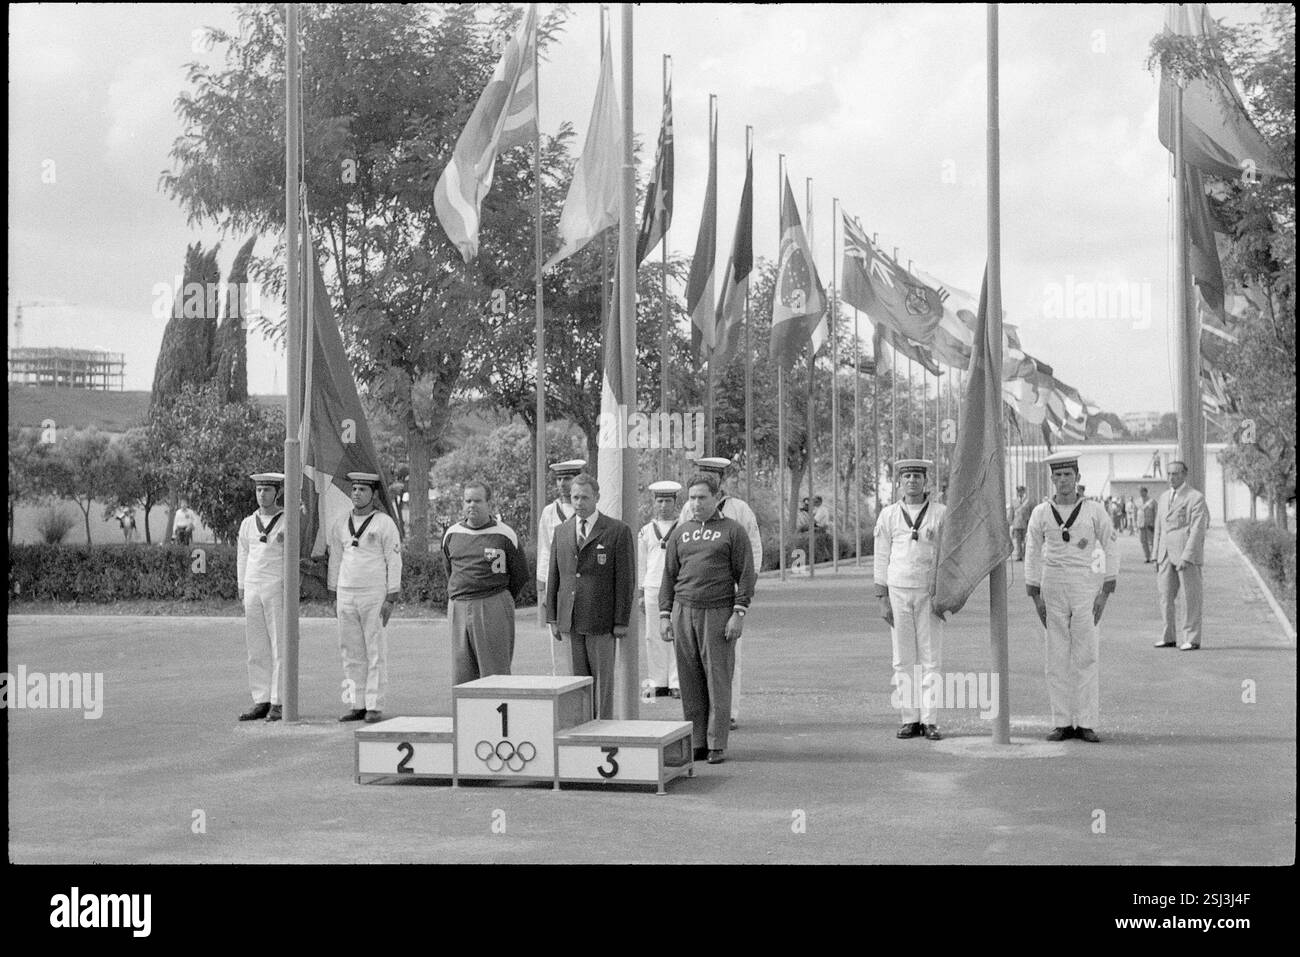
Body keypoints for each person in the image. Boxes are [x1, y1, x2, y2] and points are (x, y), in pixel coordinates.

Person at [660, 472, 756, 765]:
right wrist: (665, 615)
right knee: (689, 680)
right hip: (684, 610)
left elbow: (746, 575)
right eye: (692, 498)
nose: (696, 503)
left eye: (702, 497)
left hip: (717, 611)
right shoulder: (680, 531)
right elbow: (669, 576)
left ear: (716, 498)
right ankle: (697, 741)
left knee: (717, 678)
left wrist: (738, 614)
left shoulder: (732, 531)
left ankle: (716, 742)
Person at [1024, 452, 1117, 743]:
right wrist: (1034, 594)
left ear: (1077, 477)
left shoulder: (1094, 511)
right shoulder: (1041, 512)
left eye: (1068, 475)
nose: (1063, 481)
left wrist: (1105, 591)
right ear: (1052, 479)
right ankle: (1062, 721)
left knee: (1086, 654)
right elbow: (1031, 550)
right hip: (1053, 585)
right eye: (1058, 475)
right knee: (1056, 654)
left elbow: (1111, 546)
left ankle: (1086, 722)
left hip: (1084, 585)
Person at [545, 473, 636, 720]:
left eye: (585, 497)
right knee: (576, 684)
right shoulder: (561, 531)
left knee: (602, 684)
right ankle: (580, 729)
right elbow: (555, 575)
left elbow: (625, 580)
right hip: (570, 618)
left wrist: (621, 620)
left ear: (597, 497)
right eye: (575, 497)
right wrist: (552, 616)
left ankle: (603, 730)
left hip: (601, 620)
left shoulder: (617, 531)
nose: (579, 502)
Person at [681, 457, 762, 731]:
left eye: (713, 475)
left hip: (728, 595)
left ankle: (728, 713)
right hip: (695, 595)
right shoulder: (689, 508)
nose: (709, 479)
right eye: (704, 474)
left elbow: (753, 549)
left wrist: (745, 588)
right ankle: (702, 717)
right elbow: (680, 547)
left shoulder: (740, 510)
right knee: (695, 661)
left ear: (722, 480)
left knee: (727, 658)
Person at [873, 459, 948, 741]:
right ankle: (909, 718)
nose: (912, 481)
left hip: (928, 591)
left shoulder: (940, 513)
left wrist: (944, 592)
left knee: (931, 658)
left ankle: (930, 720)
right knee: (902, 658)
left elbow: (946, 554)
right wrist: (882, 597)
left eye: (917, 476)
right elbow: (881, 556)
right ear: (899, 482)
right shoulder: (889, 515)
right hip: (898, 590)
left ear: (925, 481)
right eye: (907, 476)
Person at [328, 472, 402, 724]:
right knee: (349, 651)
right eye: (354, 489)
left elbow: (394, 560)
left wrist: (391, 596)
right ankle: (355, 702)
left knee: (375, 650)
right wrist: (334, 593)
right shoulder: (340, 523)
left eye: (362, 489)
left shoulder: (384, 523)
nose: (357, 493)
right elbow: (335, 559)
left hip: (373, 594)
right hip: (346, 593)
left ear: (374, 494)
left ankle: (374, 704)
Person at [443, 480, 530, 685]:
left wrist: (500, 599)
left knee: (495, 671)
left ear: (489, 503)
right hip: (459, 605)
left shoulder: (504, 534)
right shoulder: (452, 534)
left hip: (492, 602)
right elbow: (449, 570)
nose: (472, 505)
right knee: (462, 672)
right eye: (468, 501)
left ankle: (497, 715)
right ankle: (469, 717)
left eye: (478, 501)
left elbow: (520, 574)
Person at [236, 472, 285, 722]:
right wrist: (242, 585)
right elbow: (243, 552)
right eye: (258, 490)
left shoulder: (287, 520)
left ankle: (278, 700)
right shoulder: (248, 522)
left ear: (277, 492)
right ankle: (261, 699)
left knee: (279, 645)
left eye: (267, 490)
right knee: (256, 646)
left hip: (276, 585)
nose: (262, 495)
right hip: (253, 585)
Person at [1152, 460, 1210, 651]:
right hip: (1165, 554)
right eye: (1169, 474)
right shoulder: (1163, 498)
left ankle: (1192, 638)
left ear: (1185, 475)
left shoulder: (1195, 498)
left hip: (1185, 554)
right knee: (1165, 597)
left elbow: (1197, 530)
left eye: (1176, 474)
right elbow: (1159, 528)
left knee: (1190, 597)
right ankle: (1168, 636)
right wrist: (1155, 554)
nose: (1171, 477)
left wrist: (1188, 555)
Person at [536, 459, 585, 676]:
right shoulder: (549, 511)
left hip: (581, 578)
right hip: (556, 579)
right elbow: (544, 548)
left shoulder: (586, 508)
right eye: (559, 479)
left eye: (567, 478)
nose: (562, 484)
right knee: (556, 631)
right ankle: (560, 678)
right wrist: (542, 583)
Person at [637, 480, 682, 698]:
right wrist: (640, 593)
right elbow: (641, 562)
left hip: (675, 586)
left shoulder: (682, 528)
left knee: (675, 633)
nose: (663, 505)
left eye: (668, 501)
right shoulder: (646, 531)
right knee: (652, 635)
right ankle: (657, 680)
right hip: (653, 585)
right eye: (660, 501)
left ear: (675, 503)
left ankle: (676, 681)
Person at [1010, 486, 1032, 561]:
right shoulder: (1014, 501)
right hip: (1017, 524)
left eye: (1021, 491)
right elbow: (1011, 513)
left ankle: (1025, 554)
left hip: (1025, 524)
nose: (1020, 493)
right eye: (1018, 491)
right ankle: (1019, 555)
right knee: (1018, 541)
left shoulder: (1028, 501)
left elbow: (1030, 512)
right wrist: (1011, 524)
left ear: (1024, 492)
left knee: (1025, 540)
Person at [1137, 486, 1157, 563]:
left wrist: (1155, 524)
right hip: (1141, 524)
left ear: (1146, 492)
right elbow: (1136, 513)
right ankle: (1147, 557)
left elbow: (1156, 513)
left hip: (1150, 525)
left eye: (1142, 492)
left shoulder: (1152, 501)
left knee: (1151, 542)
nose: (1141, 493)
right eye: (1140, 492)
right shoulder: (1138, 502)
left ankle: (1153, 557)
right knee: (1143, 541)